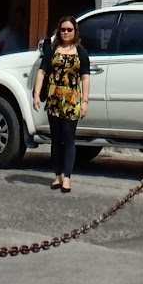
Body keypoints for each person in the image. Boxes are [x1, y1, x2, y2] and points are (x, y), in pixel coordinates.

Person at [33, 16, 91, 193]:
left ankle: (67, 178)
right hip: (54, 100)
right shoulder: (52, 50)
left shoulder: (81, 52)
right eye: (63, 30)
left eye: (69, 30)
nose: (66, 33)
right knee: (56, 139)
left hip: (71, 101)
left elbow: (85, 77)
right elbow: (42, 72)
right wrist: (36, 94)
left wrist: (85, 101)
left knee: (69, 138)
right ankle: (57, 175)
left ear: (75, 31)